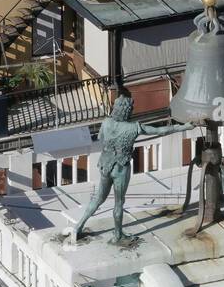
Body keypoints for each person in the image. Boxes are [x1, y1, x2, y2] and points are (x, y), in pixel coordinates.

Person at [75, 94, 184, 244]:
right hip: (120, 167)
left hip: (105, 165)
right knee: (119, 203)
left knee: (98, 198)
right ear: (127, 111)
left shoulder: (106, 122)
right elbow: (160, 131)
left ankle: (78, 226)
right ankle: (118, 234)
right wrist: (184, 127)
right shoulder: (134, 127)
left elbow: (101, 138)